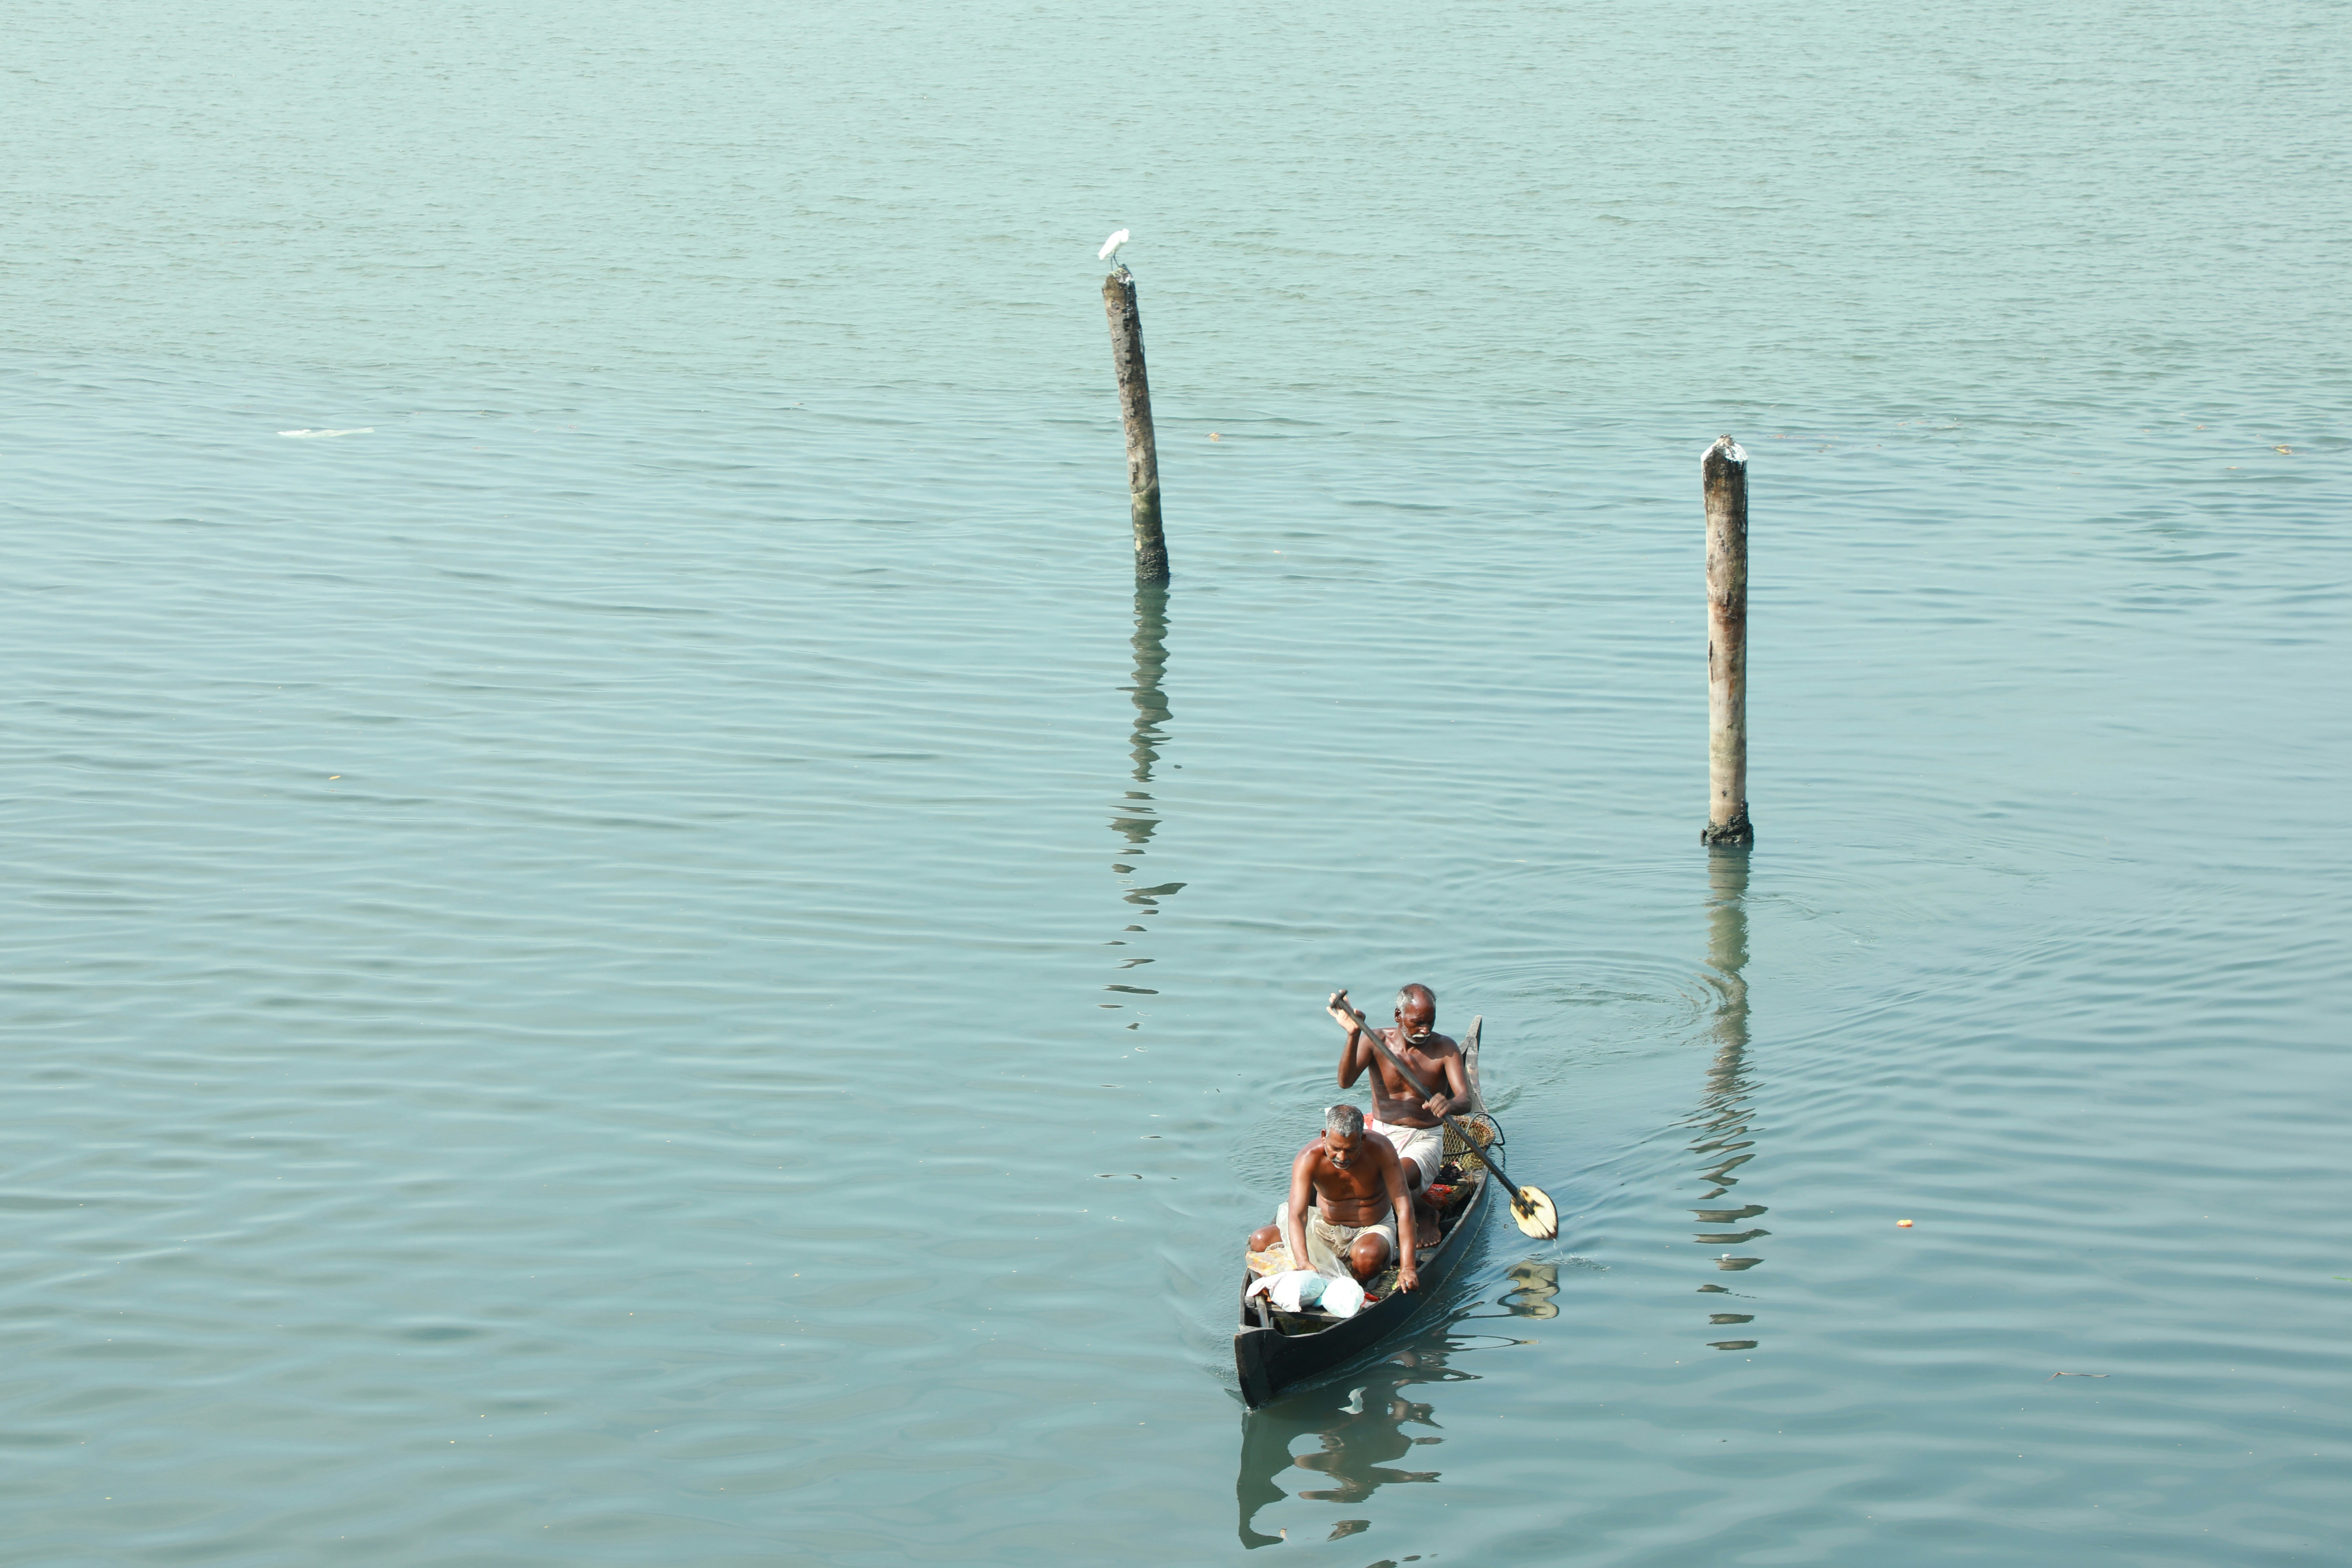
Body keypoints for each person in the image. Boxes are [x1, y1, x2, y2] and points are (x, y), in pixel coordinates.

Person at [1246, 1104, 1420, 1291]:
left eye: (1351, 1150)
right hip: (1324, 1228)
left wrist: (1408, 1268)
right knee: (1259, 1240)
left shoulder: (1381, 1150)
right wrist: (1303, 1262)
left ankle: (1356, 1284)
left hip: (1371, 1229)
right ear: (1324, 1136)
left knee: (1367, 1257)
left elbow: (1404, 1209)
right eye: (1336, 1148)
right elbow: (1298, 1215)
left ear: (1362, 1139)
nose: (1342, 1157)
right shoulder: (1309, 1157)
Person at [1328, 985, 1469, 1211]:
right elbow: (1345, 1083)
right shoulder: (1376, 1040)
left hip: (1424, 1138)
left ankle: (1426, 1216)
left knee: (1389, 1180)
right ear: (1399, 1016)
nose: (1425, 1031)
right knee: (1336, 1176)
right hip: (1381, 1134)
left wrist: (1449, 1104)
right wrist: (1353, 1034)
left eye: (1430, 1023)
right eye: (1418, 1022)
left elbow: (1465, 1100)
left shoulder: (1445, 1048)